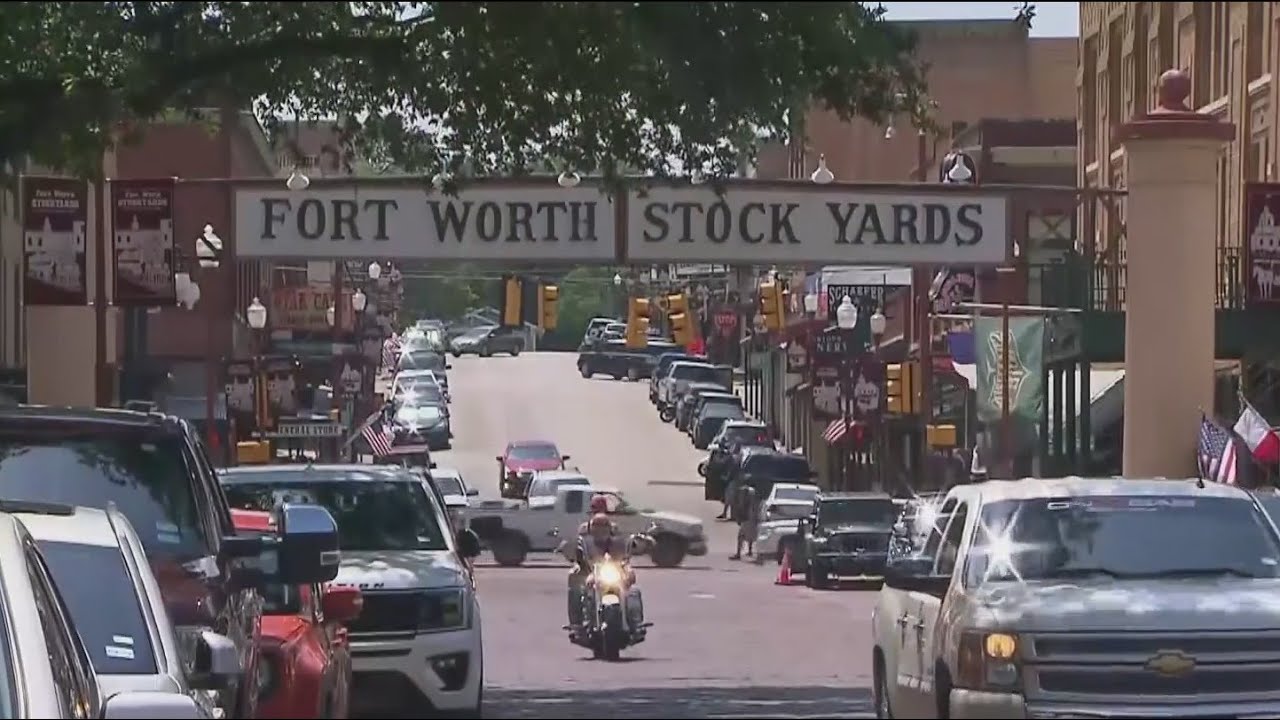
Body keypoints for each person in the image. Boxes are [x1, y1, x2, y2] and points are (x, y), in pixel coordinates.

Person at [730, 484, 760, 560]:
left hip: (747, 519)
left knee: (741, 536)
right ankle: (749, 551)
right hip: (751, 519)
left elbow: (742, 507)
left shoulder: (747, 495)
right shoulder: (753, 496)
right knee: (751, 535)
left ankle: (738, 554)